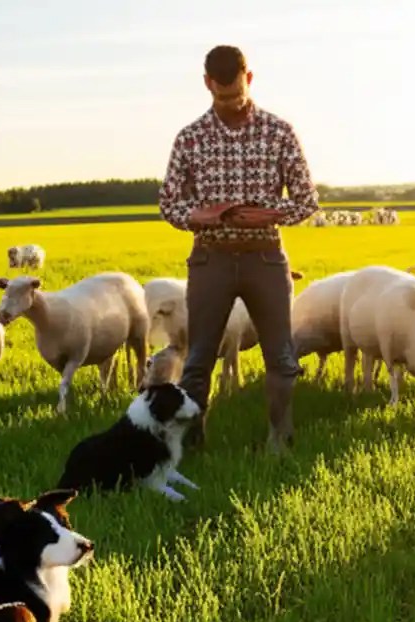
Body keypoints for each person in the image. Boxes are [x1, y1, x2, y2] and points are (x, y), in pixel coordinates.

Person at [158, 44, 319, 453]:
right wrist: (200, 216)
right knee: (198, 360)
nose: (229, 102)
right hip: (210, 258)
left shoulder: (278, 132)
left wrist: (270, 213)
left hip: (264, 257)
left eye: (235, 94)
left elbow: (307, 199)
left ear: (249, 79)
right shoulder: (190, 138)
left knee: (281, 357)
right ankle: (191, 444)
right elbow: (169, 204)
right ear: (208, 83)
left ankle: (279, 439)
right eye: (220, 95)